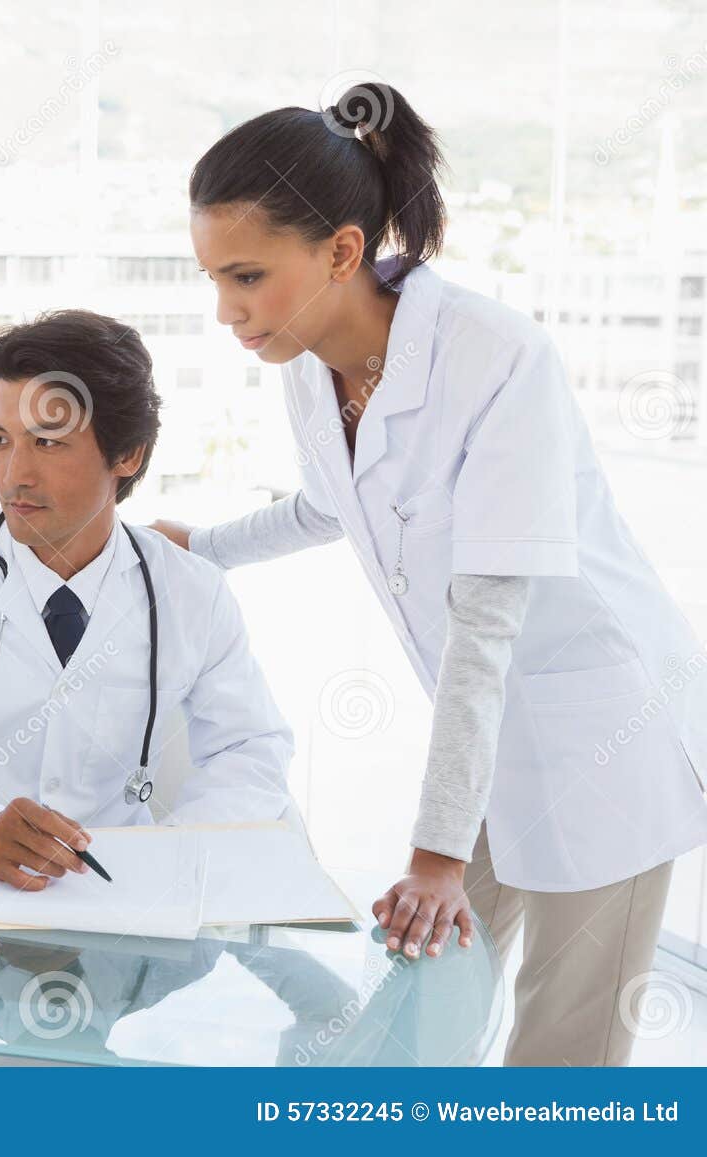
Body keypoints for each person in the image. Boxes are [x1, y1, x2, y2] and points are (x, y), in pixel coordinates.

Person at [156, 81, 707, 1066]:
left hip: (602, 729)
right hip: (490, 733)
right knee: (421, 1007)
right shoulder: (305, 359)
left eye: (245, 276)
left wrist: (435, 856)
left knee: (562, 1052)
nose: (226, 311)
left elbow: (484, 622)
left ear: (339, 249)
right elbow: (336, 502)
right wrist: (203, 546)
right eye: (212, 278)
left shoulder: (494, 358)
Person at [0, 312, 298, 1064]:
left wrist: (172, 857)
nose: (15, 473)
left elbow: (253, 748)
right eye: (1, 438)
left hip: (119, 946)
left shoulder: (191, 593)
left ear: (127, 454)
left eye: (48, 442)